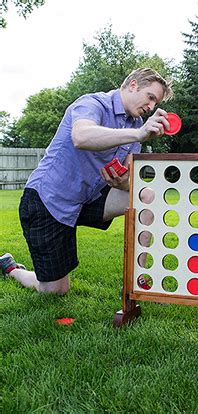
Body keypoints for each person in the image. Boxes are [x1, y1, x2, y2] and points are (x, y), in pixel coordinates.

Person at [0, 68, 173, 295]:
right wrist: (139, 134)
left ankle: (135, 281)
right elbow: (81, 137)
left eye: (155, 102)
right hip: (48, 202)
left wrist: (122, 181)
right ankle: (10, 267)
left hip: (87, 199)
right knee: (54, 290)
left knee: (147, 194)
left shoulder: (135, 124)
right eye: (150, 97)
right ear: (132, 85)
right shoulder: (92, 104)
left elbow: (129, 182)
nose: (151, 107)